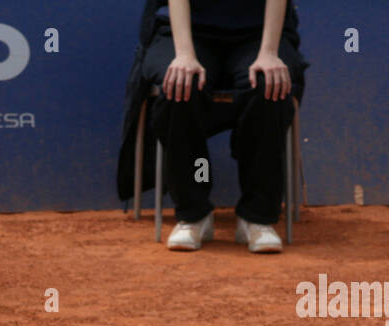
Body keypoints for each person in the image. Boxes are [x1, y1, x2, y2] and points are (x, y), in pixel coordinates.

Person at [116, 0, 307, 253]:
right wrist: (184, 53)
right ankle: (194, 215)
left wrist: (269, 52)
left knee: (268, 86)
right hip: (186, 33)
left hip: (260, 34)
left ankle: (256, 218)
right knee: (180, 84)